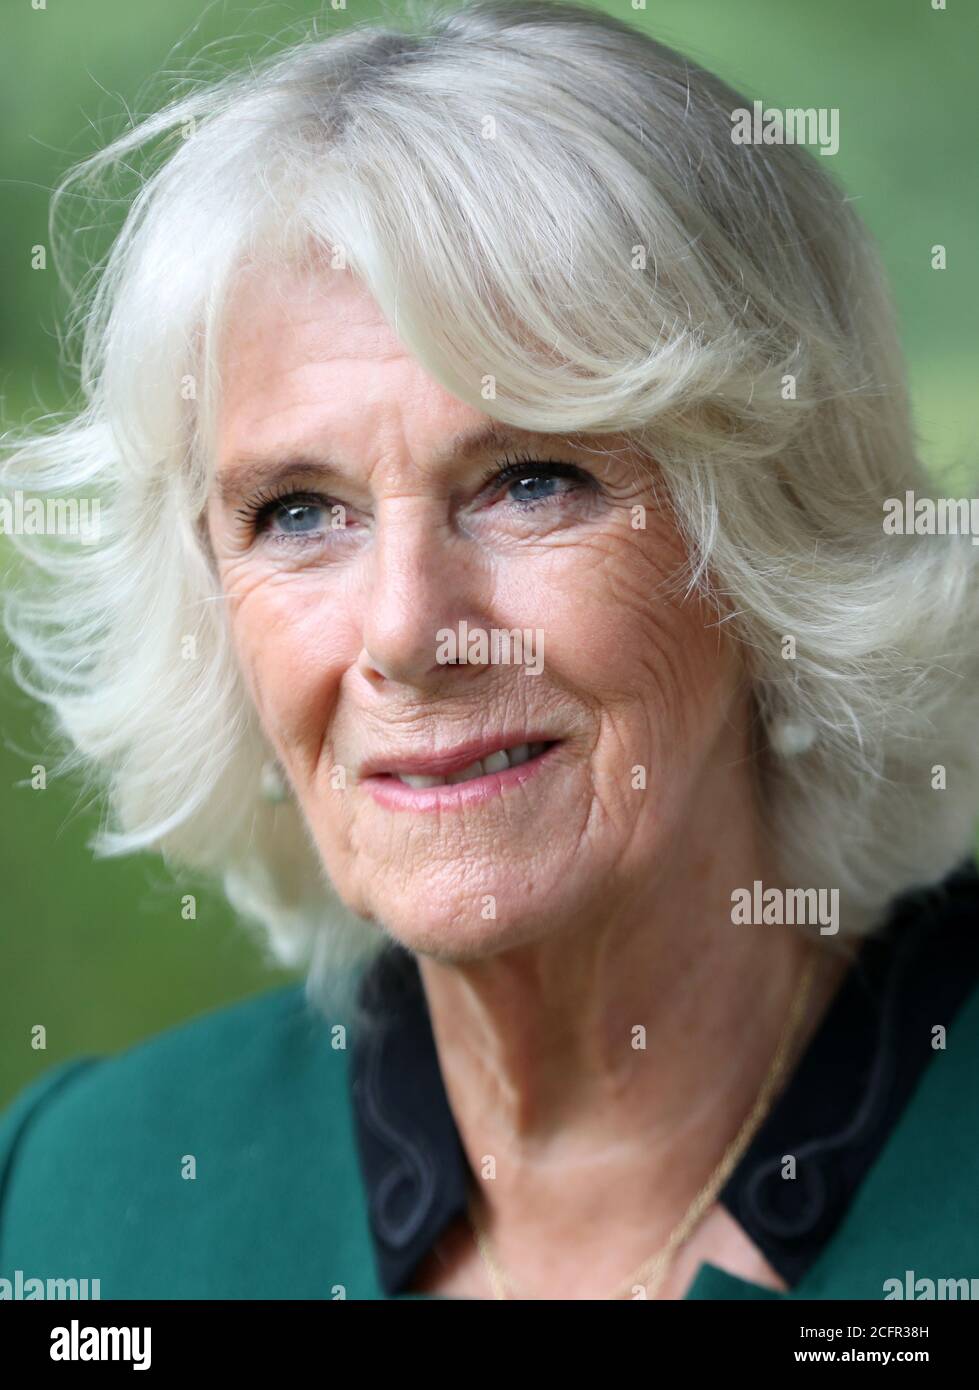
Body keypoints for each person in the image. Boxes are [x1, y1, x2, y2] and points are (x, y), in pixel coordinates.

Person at [2, 0, 978, 1301]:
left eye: (532, 480)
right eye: (299, 512)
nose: (408, 628)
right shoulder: (76, 1203)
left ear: (766, 534)